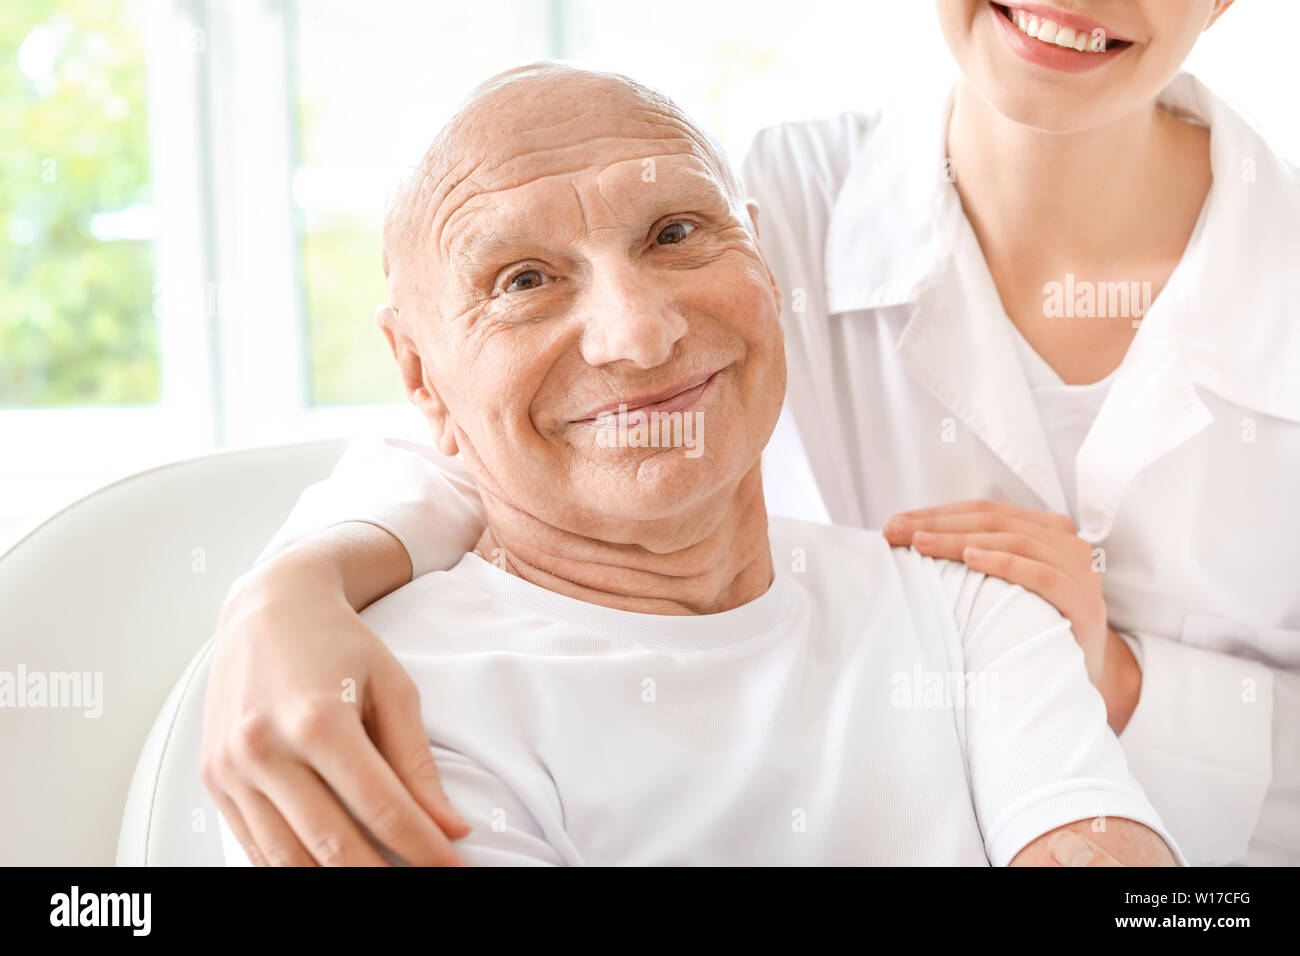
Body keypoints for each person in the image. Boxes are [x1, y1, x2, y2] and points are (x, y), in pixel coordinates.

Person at [203, 0, 1299, 866]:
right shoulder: (784, 194)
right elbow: (499, 419)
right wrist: (286, 589)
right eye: (530, 277)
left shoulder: (969, 624)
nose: (635, 331)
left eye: (676, 235)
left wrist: (1116, 683)